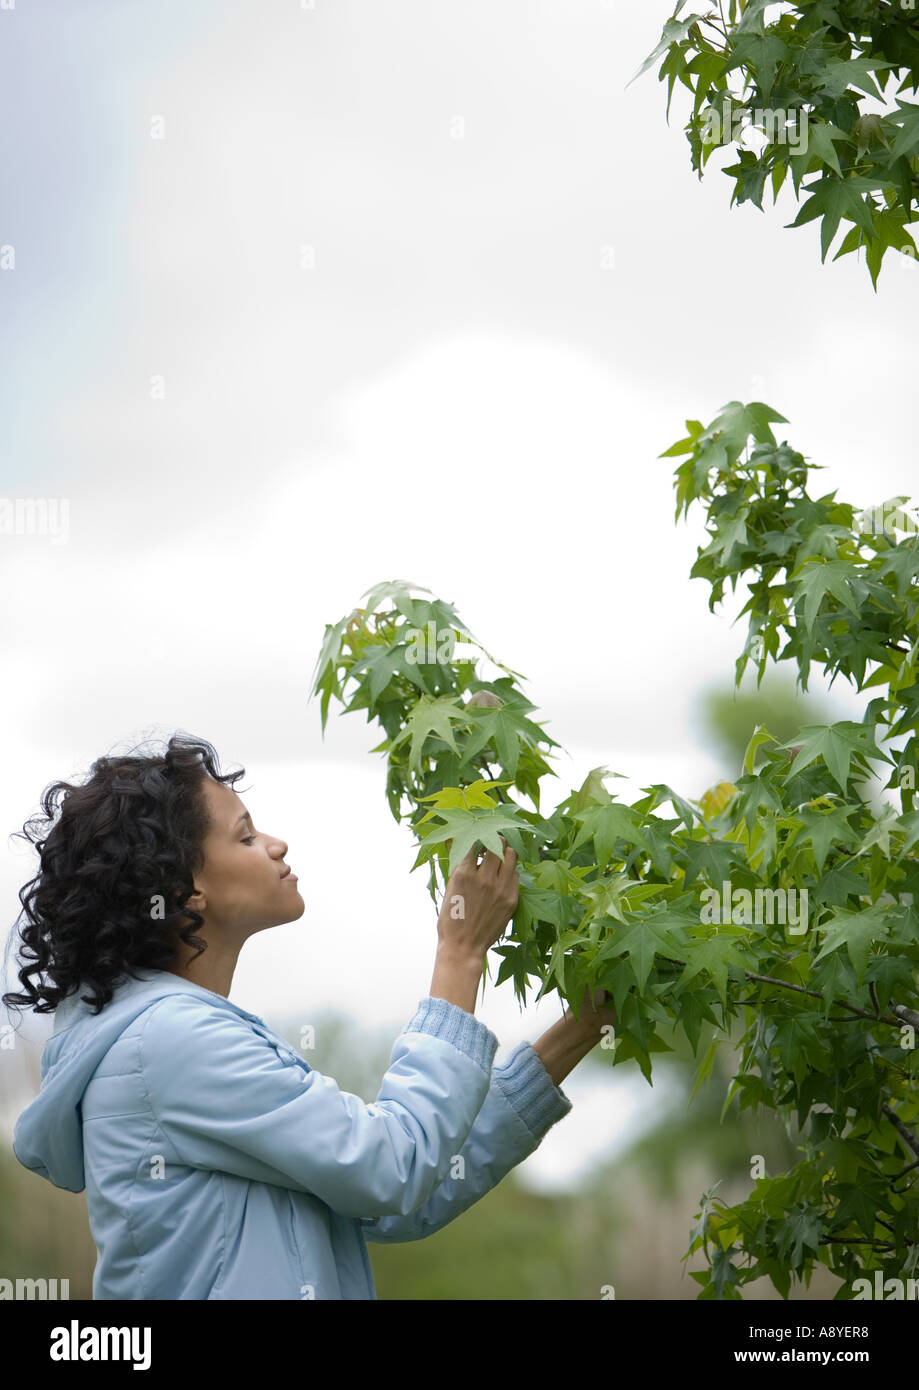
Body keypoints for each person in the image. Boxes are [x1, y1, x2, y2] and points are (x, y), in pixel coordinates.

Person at [5, 732, 616, 1299]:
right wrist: (460, 953)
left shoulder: (174, 1037)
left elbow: (394, 1201)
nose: (276, 845)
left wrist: (579, 1029)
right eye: (245, 837)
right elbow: (393, 1165)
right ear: (187, 889)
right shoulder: (169, 1041)